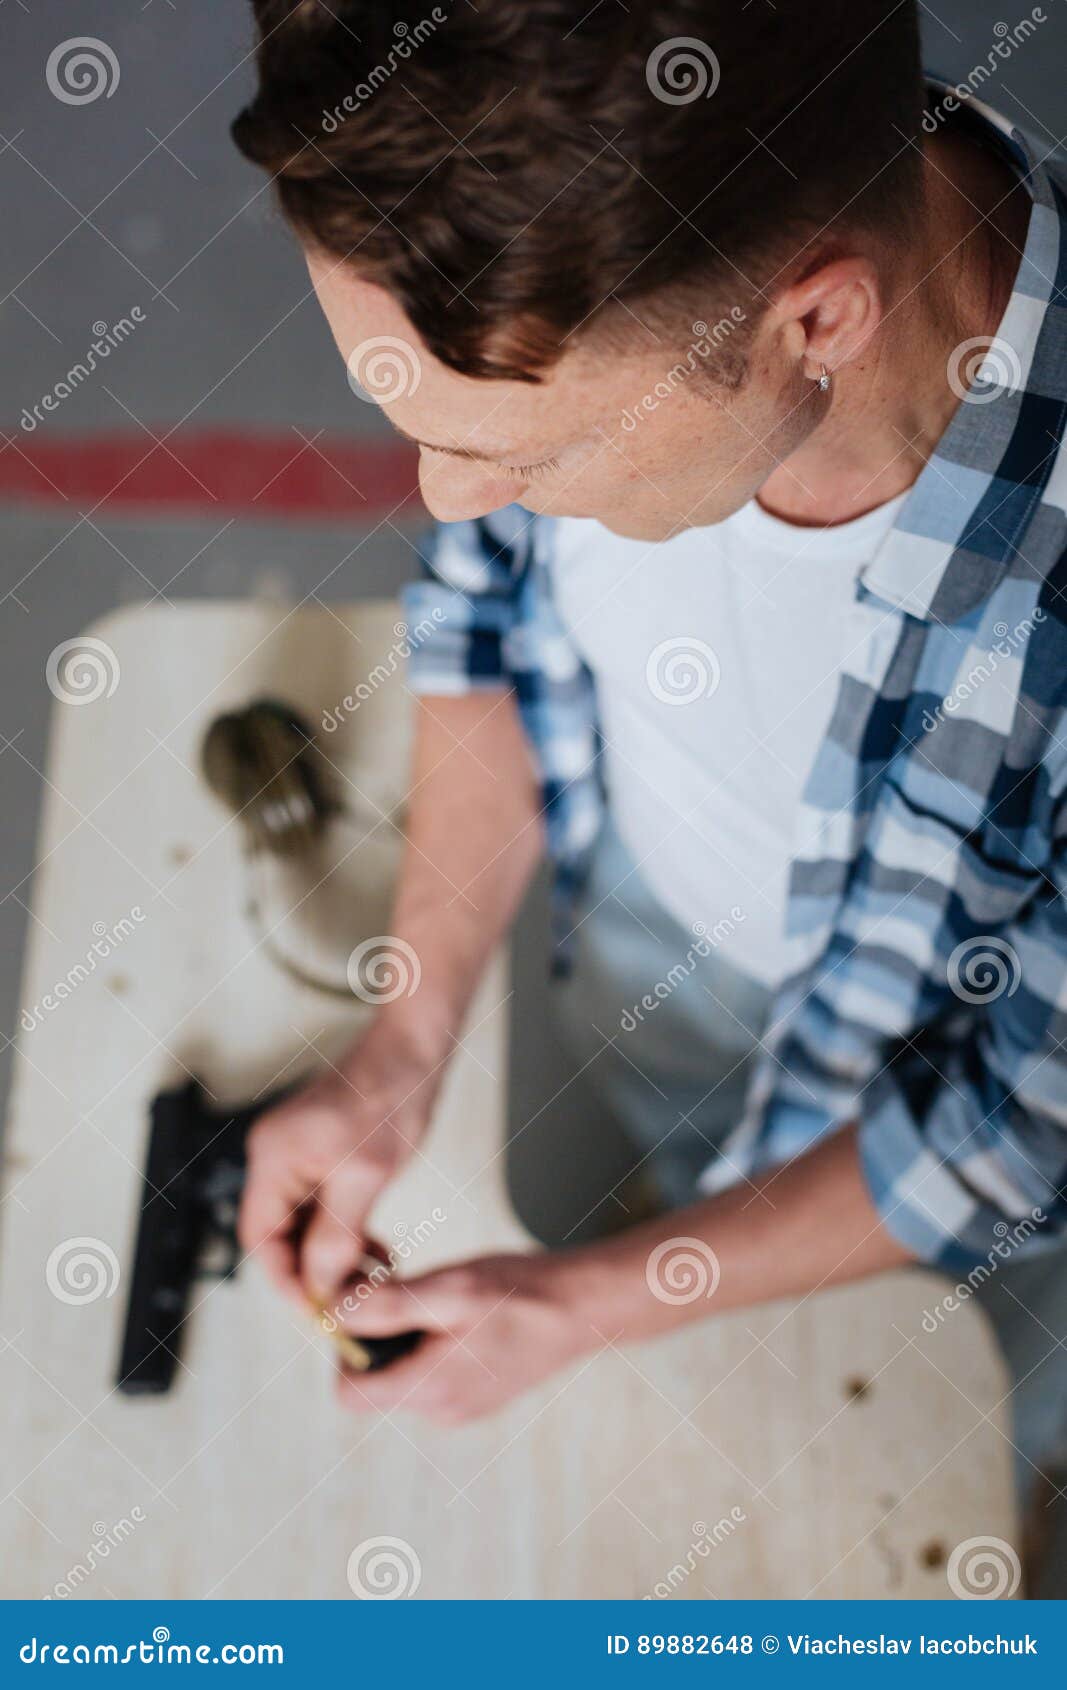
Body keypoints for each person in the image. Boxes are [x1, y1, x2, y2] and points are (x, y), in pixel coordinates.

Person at [231, 0, 1067, 1493]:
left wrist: (590, 1301)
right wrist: (404, 1045)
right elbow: (487, 623)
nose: (446, 499)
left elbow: (1019, 1121)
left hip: (955, 1196)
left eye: (529, 453)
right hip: (659, 955)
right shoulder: (644, 236)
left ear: (818, 322)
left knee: (920, 1461)